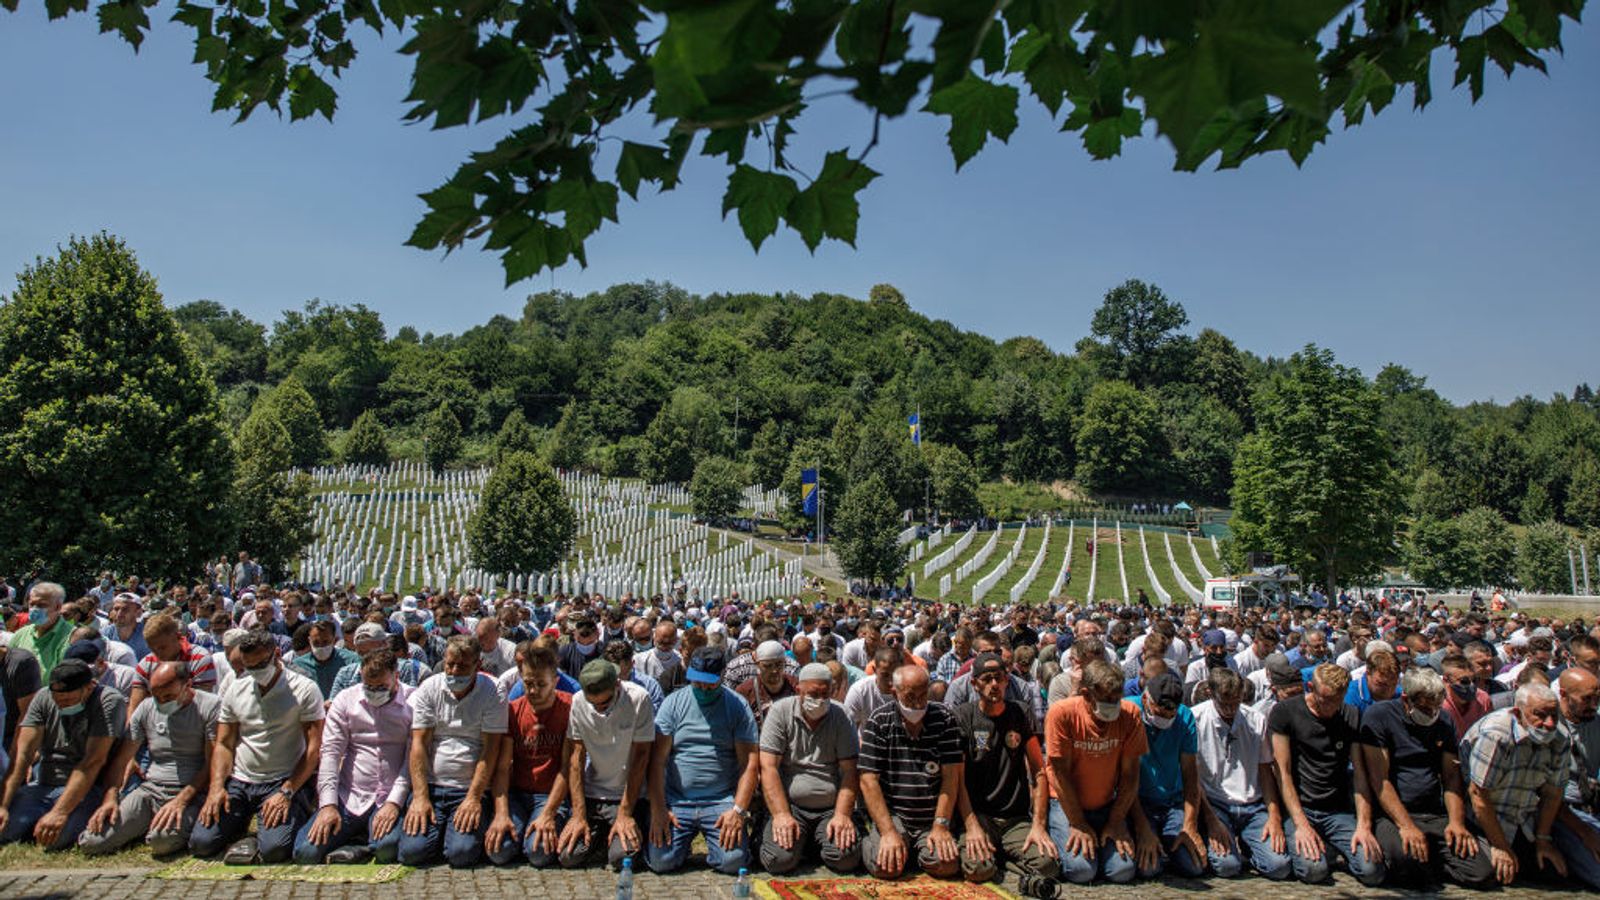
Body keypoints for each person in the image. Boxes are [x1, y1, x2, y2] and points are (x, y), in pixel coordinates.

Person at [191, 629, 325, 864]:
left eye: (262, 663)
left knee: (275, 850)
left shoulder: (303, 688)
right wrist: (216, 787)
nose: (257, 671)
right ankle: (240, 826)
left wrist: (287, 790)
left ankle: (283, 819)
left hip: (282, 780)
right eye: (249, 667)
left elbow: (314, 748)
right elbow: (224, 742)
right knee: (201, 844)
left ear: (277, 654)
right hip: (241, 780)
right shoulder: (236, 688)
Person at [1358, 666, 1493, 887]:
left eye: (1436, 708)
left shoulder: (1444, 721)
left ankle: (1433, 859)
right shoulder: (1380, 716)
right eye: (1424, 708)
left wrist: (1456, 822)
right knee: (1410, 870)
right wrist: (1406, 825)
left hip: (1434, 812)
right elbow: (1380, 779)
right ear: (1406, 699)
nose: (1431, 714)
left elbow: (1450, 776)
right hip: (1395, 814)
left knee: (1481, 873)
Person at [80, 661, 219, 855]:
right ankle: (140, 824)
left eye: (168, 696)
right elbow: (121, 760)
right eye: (156, 696)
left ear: (187, 685)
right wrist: (110, 798)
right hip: (151, 788)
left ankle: (154, 827)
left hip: (192, 792)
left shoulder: (210, 707)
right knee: (92, 842)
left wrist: (182, 800)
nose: (161, 702)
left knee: (160, 842)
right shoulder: (145, 708)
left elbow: (212, 764)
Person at [292, 649, 413, 864]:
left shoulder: (413, 701)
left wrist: (394, 803)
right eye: (369, 687)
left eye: (381, 688)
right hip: (350, 795)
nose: (374, 692)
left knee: (387, 849)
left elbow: (412, 758)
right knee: (305, 852)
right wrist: (328, 804)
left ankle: (360, 844)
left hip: (390, 794)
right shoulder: (345, 699)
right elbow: (330, 752)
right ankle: (355, 836)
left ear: (396, 677)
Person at [1268, 663, 1385, 885]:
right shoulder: (1285, 712)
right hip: (1301, 806)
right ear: (1310, 687)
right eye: (1326, 699)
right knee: (1314, 871)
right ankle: (1318, 847)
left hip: (1336, 809)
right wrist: (1301, 824)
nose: (1331, 707)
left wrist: (1364, 825)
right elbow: (1282, 772)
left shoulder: (1350, 715)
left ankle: (1330, 846)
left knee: (1372, 871)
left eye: (1337, 701)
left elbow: (1360, 774)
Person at [645, 646, 759, 874]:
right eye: (697, 683)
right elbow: (657, 761)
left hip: (721, 801)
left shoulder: (737, 706)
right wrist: (658, 808)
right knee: (662, 862)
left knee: (733, 862)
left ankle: (726, 848)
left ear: (721, 676)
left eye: (709, 683)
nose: (703, 688)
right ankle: (680, 847)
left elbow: (749, 764)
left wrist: (738, 810)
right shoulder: (673, 703)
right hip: (677, 800)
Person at [399, 635, 507, 868]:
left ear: (478, 665)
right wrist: (419, 796)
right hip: (433, 785)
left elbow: (490, 749)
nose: (455, 671)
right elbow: (419, 743)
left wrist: (474, 797)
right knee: (411, 853)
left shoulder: (493, 690)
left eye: (463, 666)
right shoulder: (429, 687)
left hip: (468, 788)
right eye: (450, 664)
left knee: (462, 854)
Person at [951, 653, 1058, 884]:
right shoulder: (963, 716)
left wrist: (1039, 825)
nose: (993, 685)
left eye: (998, 678)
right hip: (979, 815)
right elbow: (956, 779)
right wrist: (970, 826)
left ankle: (1004, 861)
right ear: (974, 683)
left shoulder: (1021, 712)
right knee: (978, 870)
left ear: (1007, 680)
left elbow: (1039, 771)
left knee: (1048, 865)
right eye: (986, 679)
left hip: (1015, 818)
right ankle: (997, 859)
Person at [0, 658, 124, 849]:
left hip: (88, 788)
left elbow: (93, 761)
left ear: (89, 687)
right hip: (44, 784)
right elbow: (22, 755)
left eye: (68, 700)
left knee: (56, 840)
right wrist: (3, 804)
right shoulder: (43, 697)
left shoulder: (108, 701)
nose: (61, 705)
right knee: (6, 830)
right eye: (57, 700)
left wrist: (60, 812)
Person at [1043, 658, 1145, 884]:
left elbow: (1130, 774)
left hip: (1106, 801)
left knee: (1123, 871)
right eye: (1106, 700)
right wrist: (1078, 822)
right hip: (1066, 802)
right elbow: (1060, 774)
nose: (1112, 705)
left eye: (1116, 699)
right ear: (1087, 695)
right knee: (1081, 871)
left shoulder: (1130, 714)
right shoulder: (1062, 713)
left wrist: (1117, 819)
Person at [1462, 682, 1574, 886]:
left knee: (1553, 873)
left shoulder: (1560, 737)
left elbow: (1553, 793)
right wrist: (1500, 845)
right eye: (1540, 715)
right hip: (1483, 819)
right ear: (1517, 712)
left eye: (1554, 715)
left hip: (1523, 817)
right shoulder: (1496, 734)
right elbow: (1478, 794)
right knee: (1487, 874)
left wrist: (1543, 839)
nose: (1549, 723)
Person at [858, 664, 963, 879]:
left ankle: (915, 850)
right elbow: (869, 780)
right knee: (886, 866)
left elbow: (951, 777)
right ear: (895, 693)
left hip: (930, 816)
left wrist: (941, 825)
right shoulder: (879, 721)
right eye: (910, 696)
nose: (917, 703)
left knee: (946, 865)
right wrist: (887, 831)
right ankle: (879, 839)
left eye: (923, 695)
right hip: (895, 815)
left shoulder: (944, 719)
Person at [757, 662, 862, 874]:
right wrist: (781, 814)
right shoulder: (780, 711)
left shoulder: (841, 715)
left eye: (826, 695)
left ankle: (813, 841)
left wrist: (842, 815)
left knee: (845, 858)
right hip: (791, 805)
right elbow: (768, 767)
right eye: (813, 694)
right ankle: (773, 832)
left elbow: (850, 771)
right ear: (799, 690)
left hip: (830, 808)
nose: (820, 701)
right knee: (779, 860)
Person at [1191, 668, 1292, 879]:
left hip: (1252, 805)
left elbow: (1265, 770)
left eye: (1235, 703)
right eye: (1224, 703)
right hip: (1216, 803)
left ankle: (1250, 846)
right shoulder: (1196, 719)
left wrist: (1274, 816)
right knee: (1227, 866)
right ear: (1211, 694)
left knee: (1279, 866)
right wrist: (1209, 819)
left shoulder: (1255, 719)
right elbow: (1192, 776)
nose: (1230, 710)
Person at [557, 659, 655, 870]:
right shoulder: (578, 702)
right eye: (594, 704)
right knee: (568, 856)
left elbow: (641, 757)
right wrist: (578, 813)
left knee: (622, 860)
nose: (599, 709)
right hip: (594, 793)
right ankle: (601, 835)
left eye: (605, 703)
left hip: (627, 793)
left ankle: (624, 834)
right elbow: (576, 757)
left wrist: (625, 813)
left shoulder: (638, 698)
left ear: (617, 685)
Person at [485, 641, 571, 867]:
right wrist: (501, 813)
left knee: (539, 853)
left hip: (550, 793)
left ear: (555, 681)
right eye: (528, 683)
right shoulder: (513, 710)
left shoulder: (570, 709)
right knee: (498, 852)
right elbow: (502, 767)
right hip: (517, 793)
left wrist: (549, 813)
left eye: (541, 684)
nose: (533, 691)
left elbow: (567, 768)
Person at [1128, 671, 1206, 878]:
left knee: (1194, 867)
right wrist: (1142, 827)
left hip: (1172, 802)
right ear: (1146, 699)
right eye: (1160, 713)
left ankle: (1165, 846)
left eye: (1171, 715)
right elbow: (1125, 780)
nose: (1166, 720)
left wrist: (1190, 825)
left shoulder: (1185, 717)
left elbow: (1190, 774)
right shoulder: (1129, 711)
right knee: (1148, 870)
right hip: (1139, 802)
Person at [1553, 667, 1600, 890]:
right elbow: (1545, 795)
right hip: (1560, 812)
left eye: (1597, 698)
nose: (1593, 705)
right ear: (1563, 694)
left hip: (1590, 805)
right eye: (1586, 699)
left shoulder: (1595, 723)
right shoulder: (1547, 727)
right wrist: (1584, 831)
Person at [9, 582, 73, 675]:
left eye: (41, 605)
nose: (34, 609)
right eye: (32, 604)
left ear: (58, 607)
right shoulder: (21, 634)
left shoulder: (70, 637)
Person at [735, 640, 798, 730]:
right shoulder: (745, 691)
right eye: (768, 666)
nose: (774, 670)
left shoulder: (796, 686)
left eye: (779, 664)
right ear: (757, 665)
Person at [291, 619, 360, 701]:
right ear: (309, 641)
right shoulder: (298, 666)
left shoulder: (351, 661)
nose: (321, 646)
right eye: (316, 642)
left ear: (334, 640)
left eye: (325, 642)